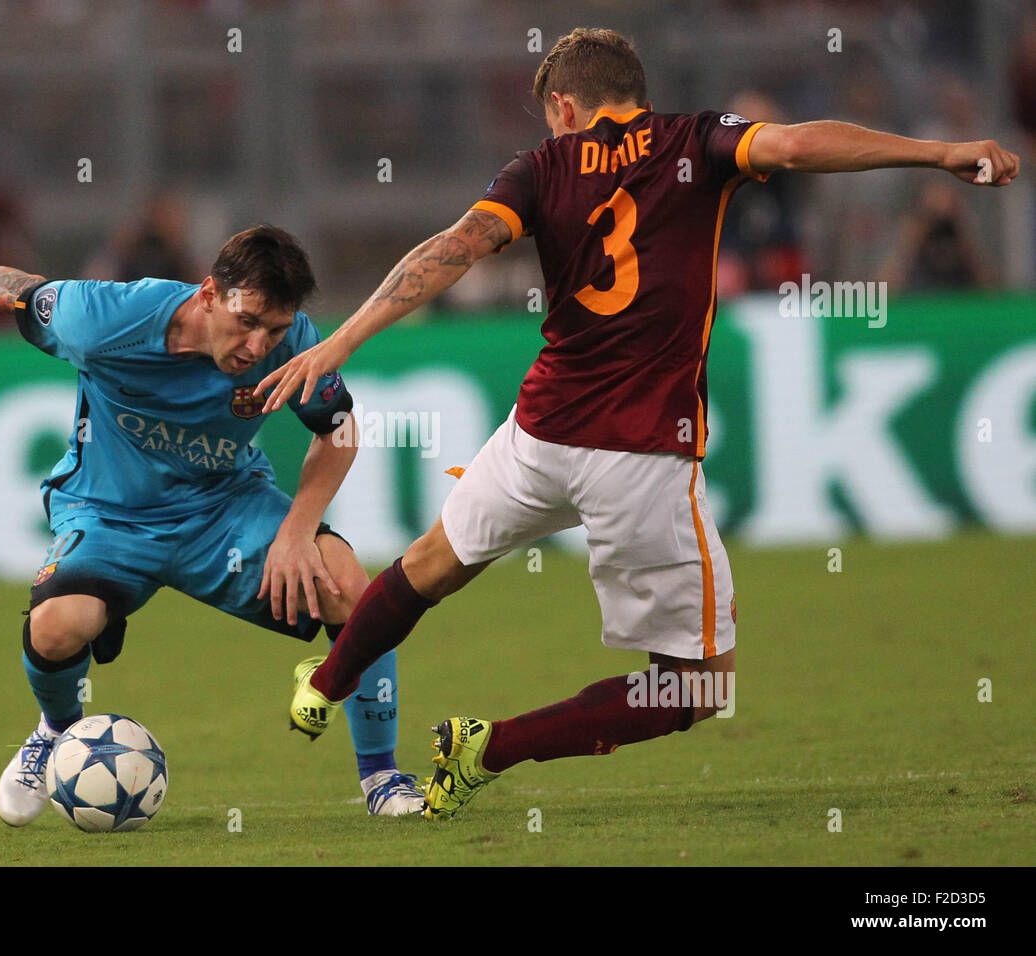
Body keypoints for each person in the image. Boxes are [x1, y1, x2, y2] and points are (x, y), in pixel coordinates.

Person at [259, 28, 1020, 820]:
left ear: (564, 105)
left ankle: (323, 684)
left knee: (431, 564)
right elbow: (797, 146)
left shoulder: (540, 168)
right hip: (641, 453)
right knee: (693, 686)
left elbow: (457, 248)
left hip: (540, 433)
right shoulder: (699, 142)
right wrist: (940, 153)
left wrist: (345, 338)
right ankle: (489, 745)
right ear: (636, 93)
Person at [0, 225, 425, 824]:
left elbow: (338, 430)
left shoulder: (293, 340)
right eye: (248, 322)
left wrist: (298, 530)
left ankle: (382, 777)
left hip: (224, 510)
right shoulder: (103, 317)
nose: (258, 344)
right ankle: (56, 732)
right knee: (59, 626)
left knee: (349, 587)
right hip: (109, 512)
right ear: (210, 293)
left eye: (273, 329)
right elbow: (24, 292)